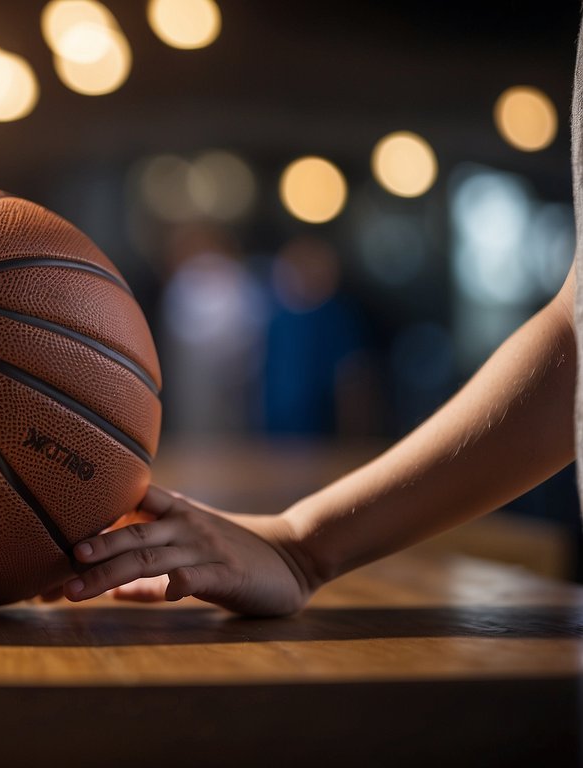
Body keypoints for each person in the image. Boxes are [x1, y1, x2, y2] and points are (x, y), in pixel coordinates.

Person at [49, 30, 583, 618]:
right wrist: (301, 545)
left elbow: (575, 334)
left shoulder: (318, 314)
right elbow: (576, 338)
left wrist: (304, 545)